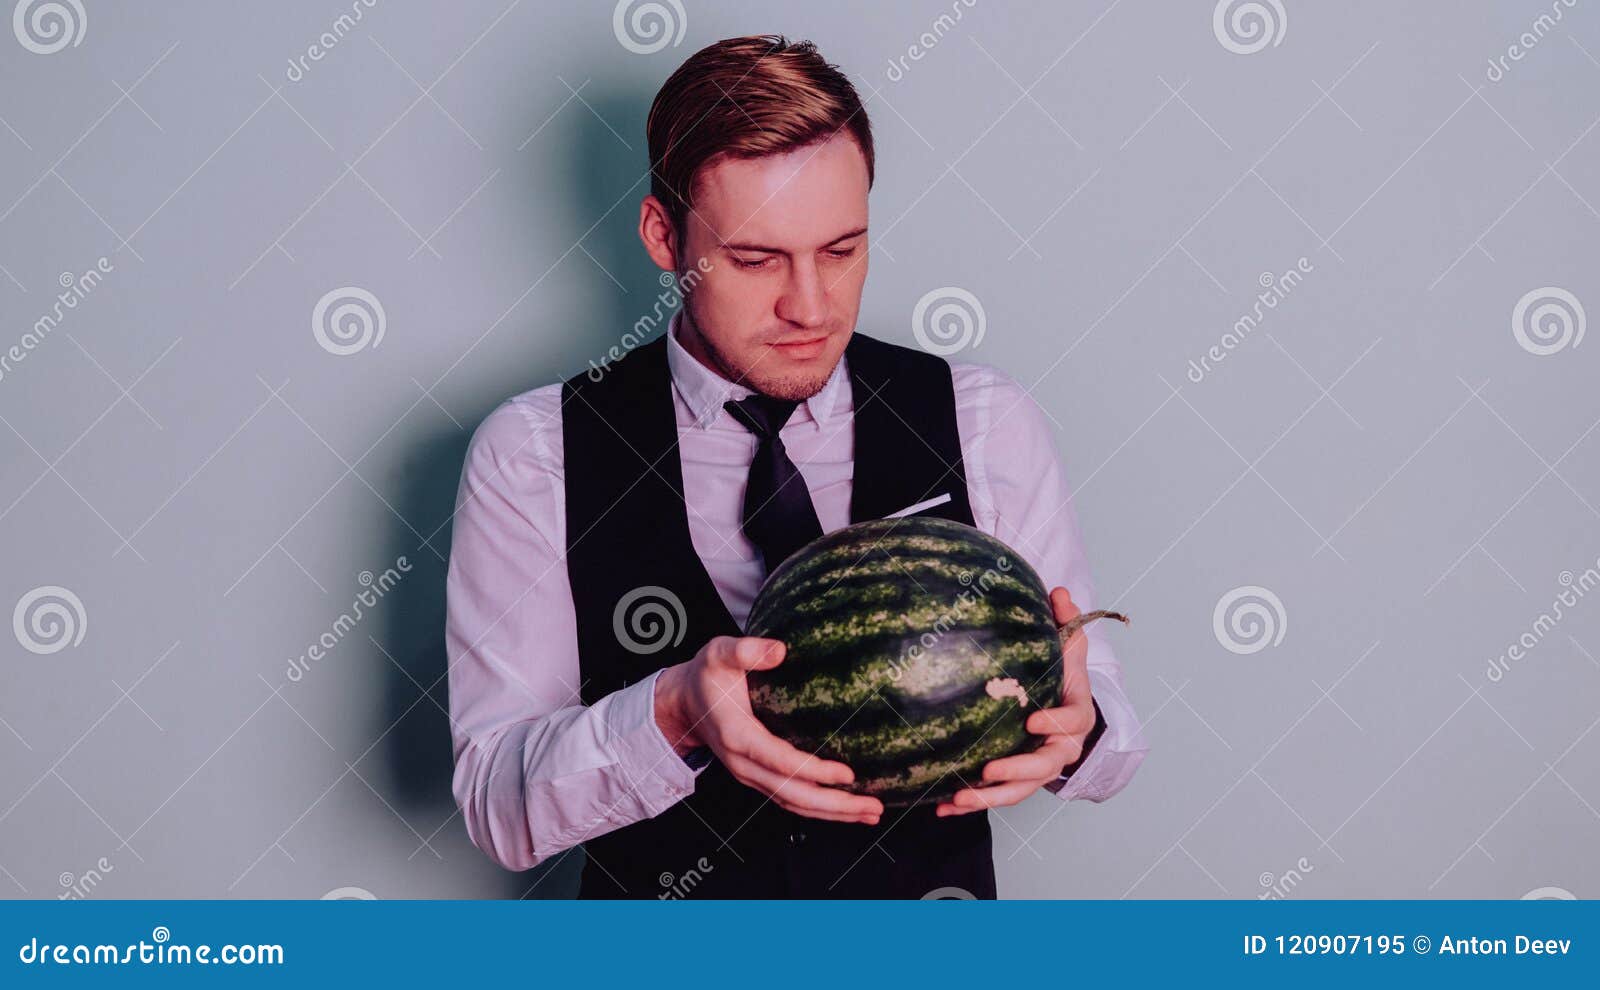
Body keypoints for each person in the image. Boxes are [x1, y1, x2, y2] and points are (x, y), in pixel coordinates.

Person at [445, 34, 1148, 899]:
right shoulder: (535, 453)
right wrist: (672, 710)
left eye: (842, 250)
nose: (809, 307)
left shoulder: (985, 420)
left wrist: (1076, 731)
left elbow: (1109, 730)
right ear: (664, 236)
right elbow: (496, 808)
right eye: (754, 258)